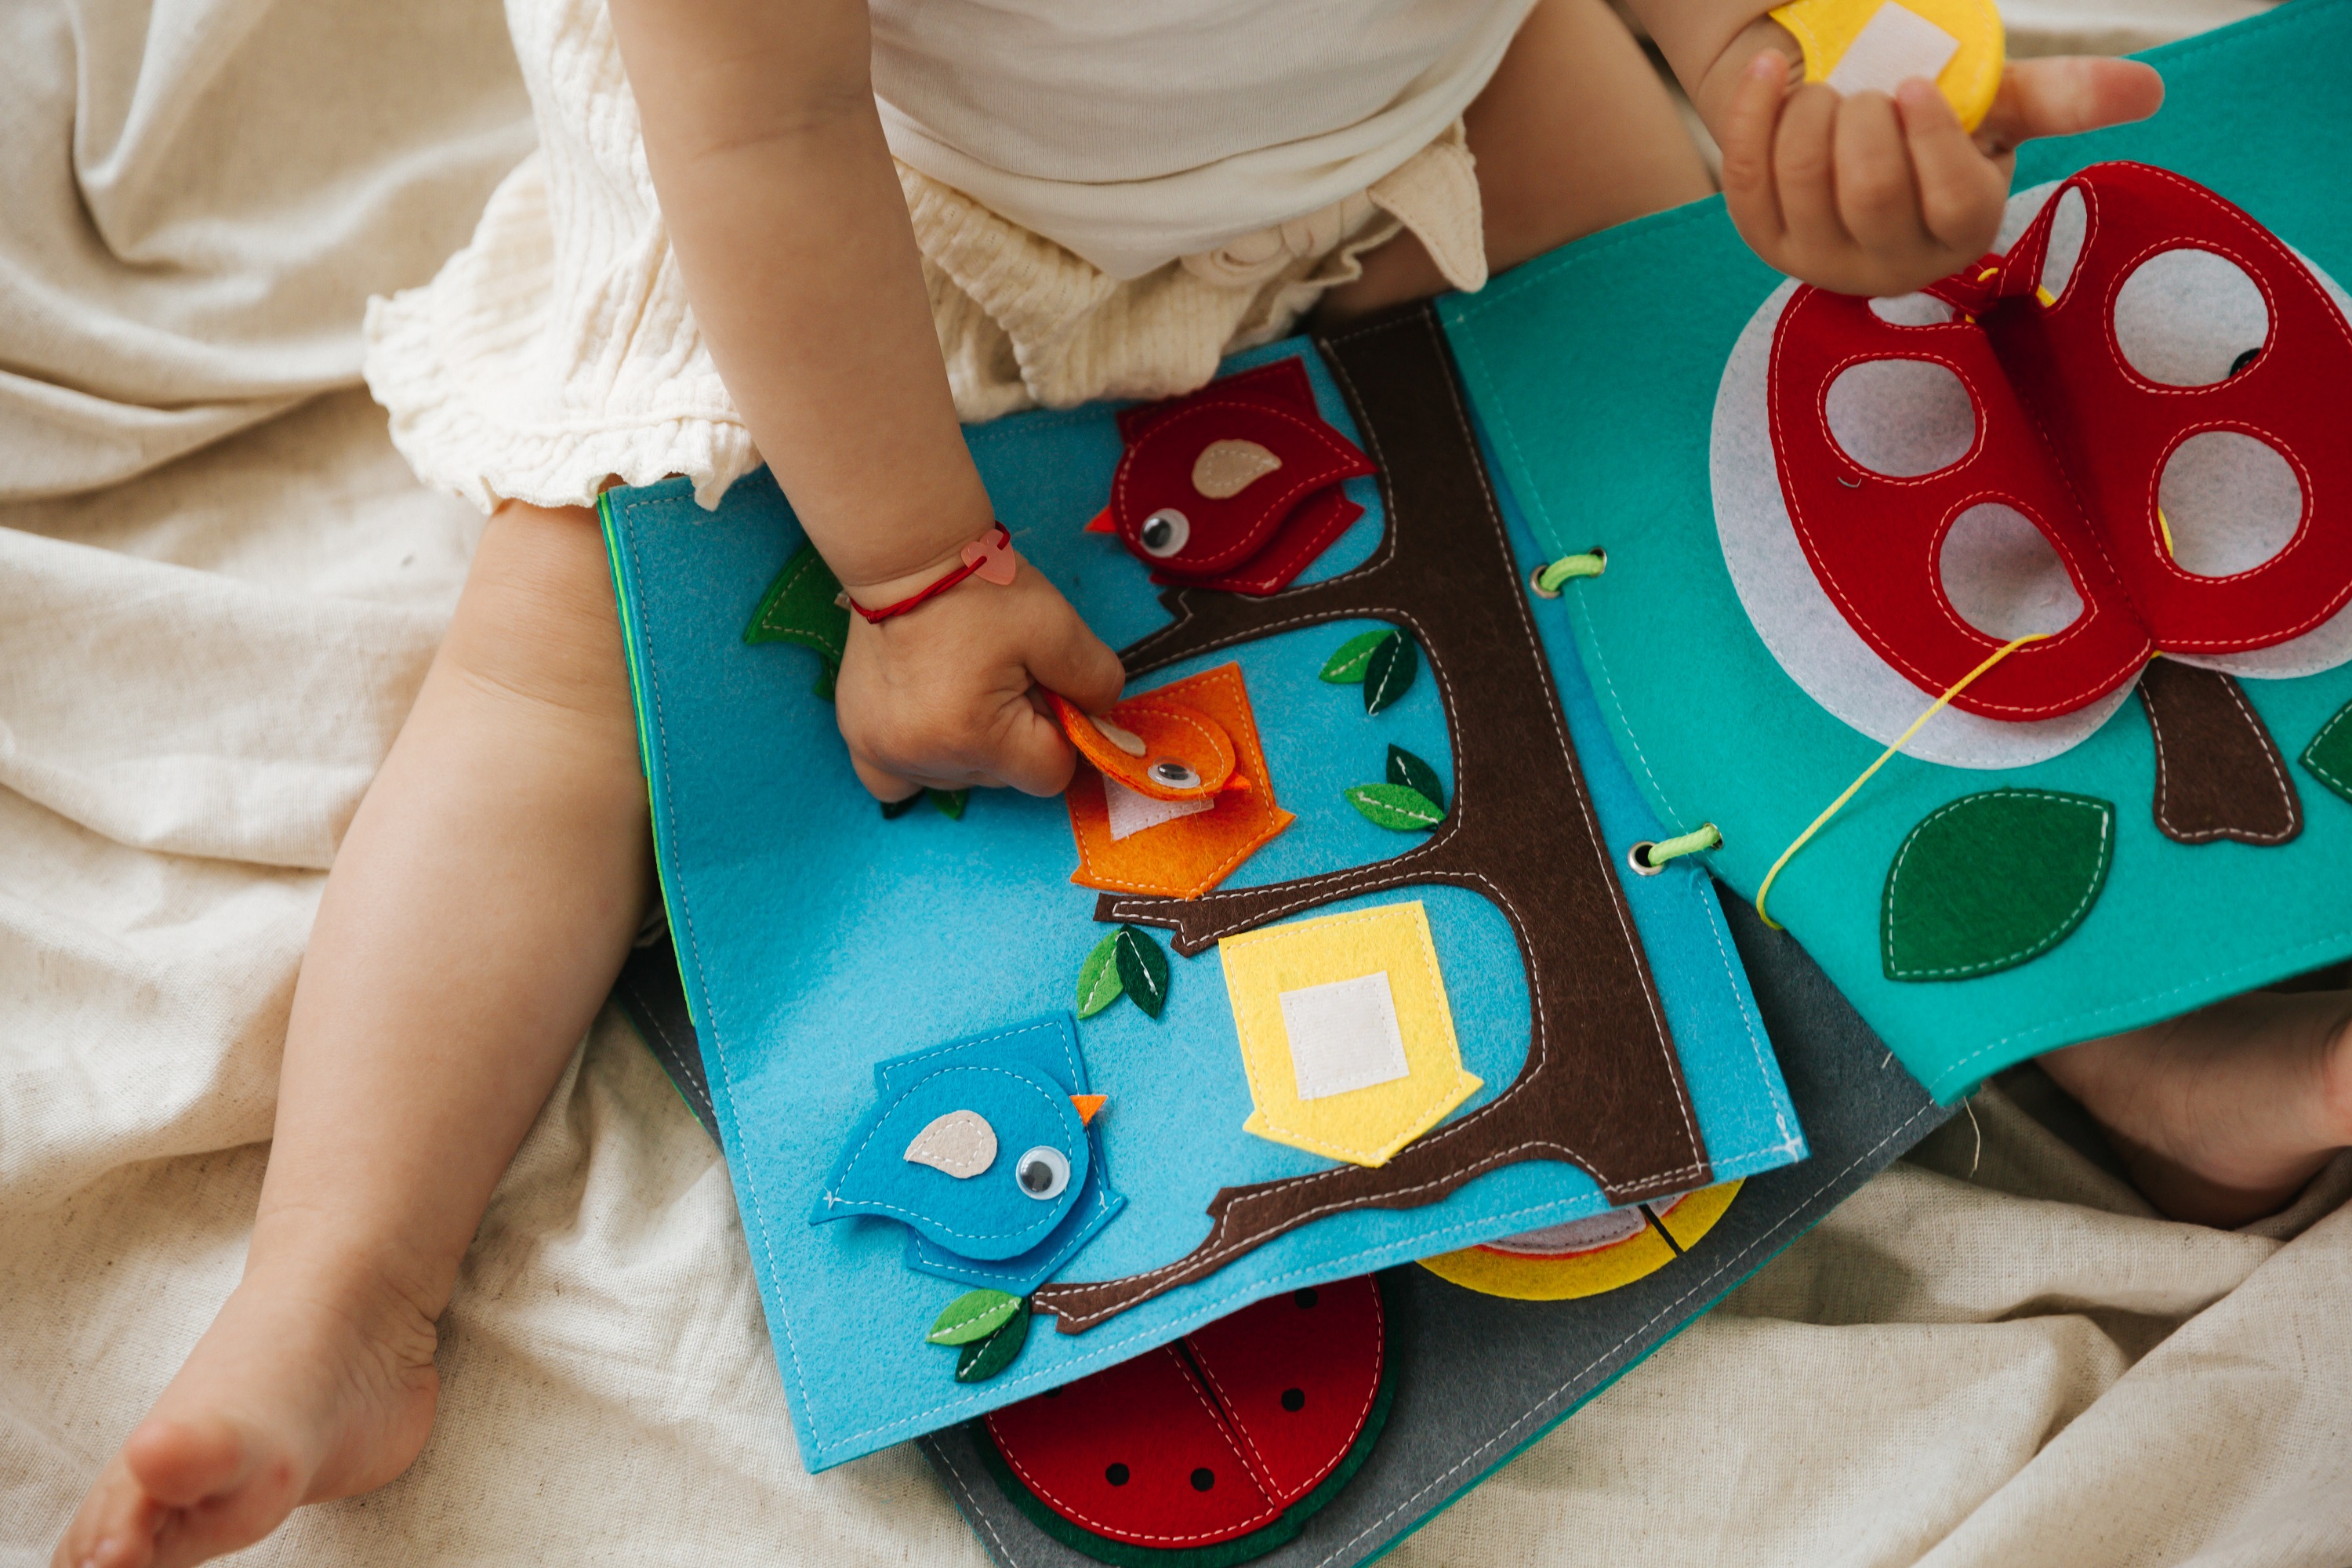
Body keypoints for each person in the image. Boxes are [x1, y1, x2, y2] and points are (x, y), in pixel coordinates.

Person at [56, 1, 2254, 1564]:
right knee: (557, 685)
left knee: (1697, 450)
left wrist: (1776, 64)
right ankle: (344, 1290)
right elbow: (755, 135)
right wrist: (914, 567)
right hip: (862, 222)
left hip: (1418, 91)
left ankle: (2124, 1027)